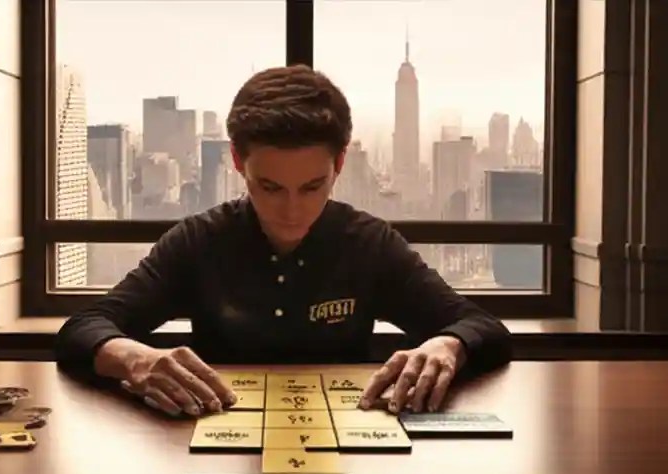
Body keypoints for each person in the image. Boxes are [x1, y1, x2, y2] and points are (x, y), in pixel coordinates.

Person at [55, 65, 511, 417]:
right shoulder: (199, 241)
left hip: (346, 446)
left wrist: (447, 345)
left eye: (312, 187)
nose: (292, 211)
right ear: (237, 160)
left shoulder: (368, 243)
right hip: (213, 450)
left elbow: (484, 328)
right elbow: (82, 331)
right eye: (270, 187)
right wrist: (133, 359)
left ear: (340, 163)